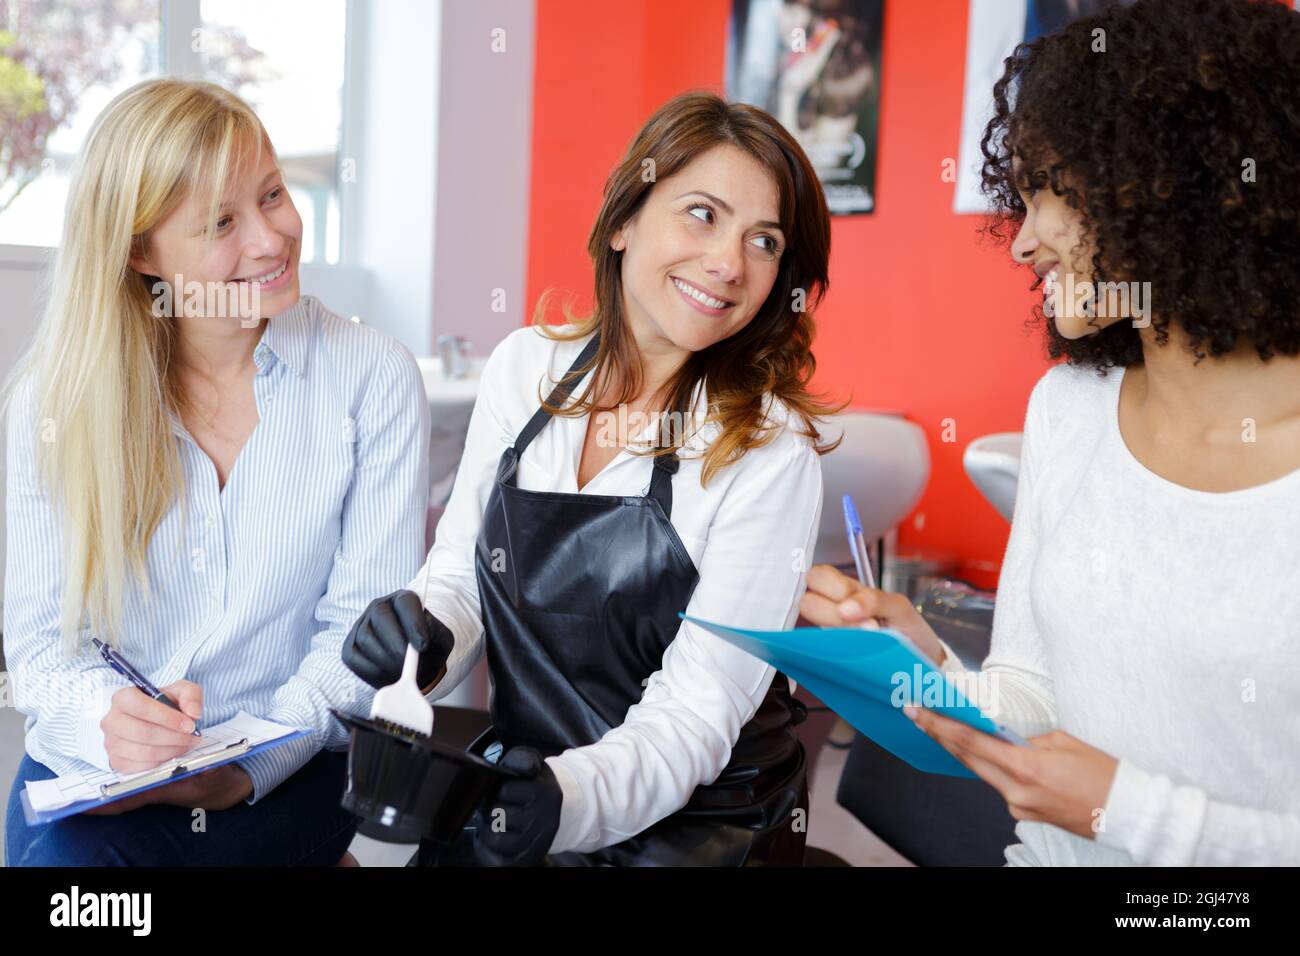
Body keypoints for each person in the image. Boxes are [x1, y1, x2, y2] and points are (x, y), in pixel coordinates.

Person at [801, 0, 1300, 865]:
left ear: (1172, 181)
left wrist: (1127, 811)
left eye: (1046, 194)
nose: (1021, 242)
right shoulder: (1068, 409)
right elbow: (1032, 701)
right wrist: (922, 670)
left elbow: (1111, 801)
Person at [342, 91, 839, 866]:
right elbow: (467, 575)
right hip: (530, 780)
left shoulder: (771, 451)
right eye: (702, 214)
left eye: (765, 241)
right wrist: (427, 639)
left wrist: (570, 800)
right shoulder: (524, 368)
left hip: (703, 821)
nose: (729, 263)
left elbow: (700, 712)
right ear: (623, 222)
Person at [3, 79, 429, 866]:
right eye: (221, 222)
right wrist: (111, 721)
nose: (271, 239)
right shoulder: (52, 403)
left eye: (272, 196)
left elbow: (360, 641)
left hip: (286, 775)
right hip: (99, 784)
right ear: (140, 253)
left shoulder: (373, 378)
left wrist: (245, 768)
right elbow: (41, 652)